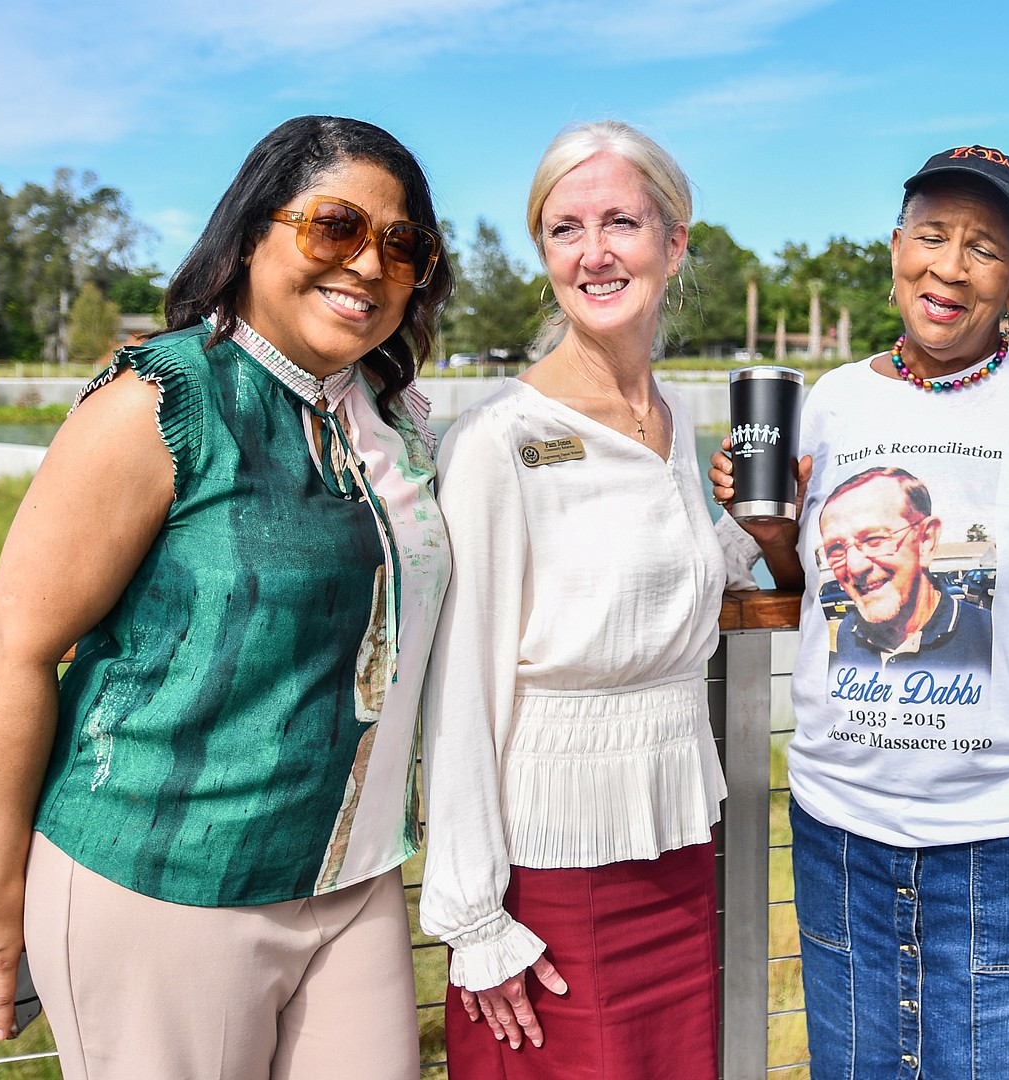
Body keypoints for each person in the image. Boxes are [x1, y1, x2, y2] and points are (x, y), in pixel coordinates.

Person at [0, 116, 454, 1080]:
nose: (368, 265)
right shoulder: (161, 399)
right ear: (253, 230)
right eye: (334, 227)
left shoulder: (392, 420)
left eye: (403, 246)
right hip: (161, 885)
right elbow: (18, 646)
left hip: (352, 878)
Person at [711, 143, 1009, 1079]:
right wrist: (767, 525)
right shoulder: (830, 404)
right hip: (837, 832)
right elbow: (809, 588)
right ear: (894, 245)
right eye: (931, 235)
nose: (949, 266)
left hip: (1007, 842)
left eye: (984, 247)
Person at [418, 120, 732, 1079]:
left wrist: (758, 532)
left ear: (674, 244)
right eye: (566, 229)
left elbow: (672, 587)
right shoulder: (498, 442)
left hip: (678, 848)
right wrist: (474, 916)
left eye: (622, 223)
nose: (594, 252)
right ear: (544, 252)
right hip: (550, 871)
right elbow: (460, 687)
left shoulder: (675, 419)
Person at [819, 465, 993, 672]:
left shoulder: (987, 635)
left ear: (926, 540)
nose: (855, 566)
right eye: (836, 549)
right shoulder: (848, 632)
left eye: (875, 539)